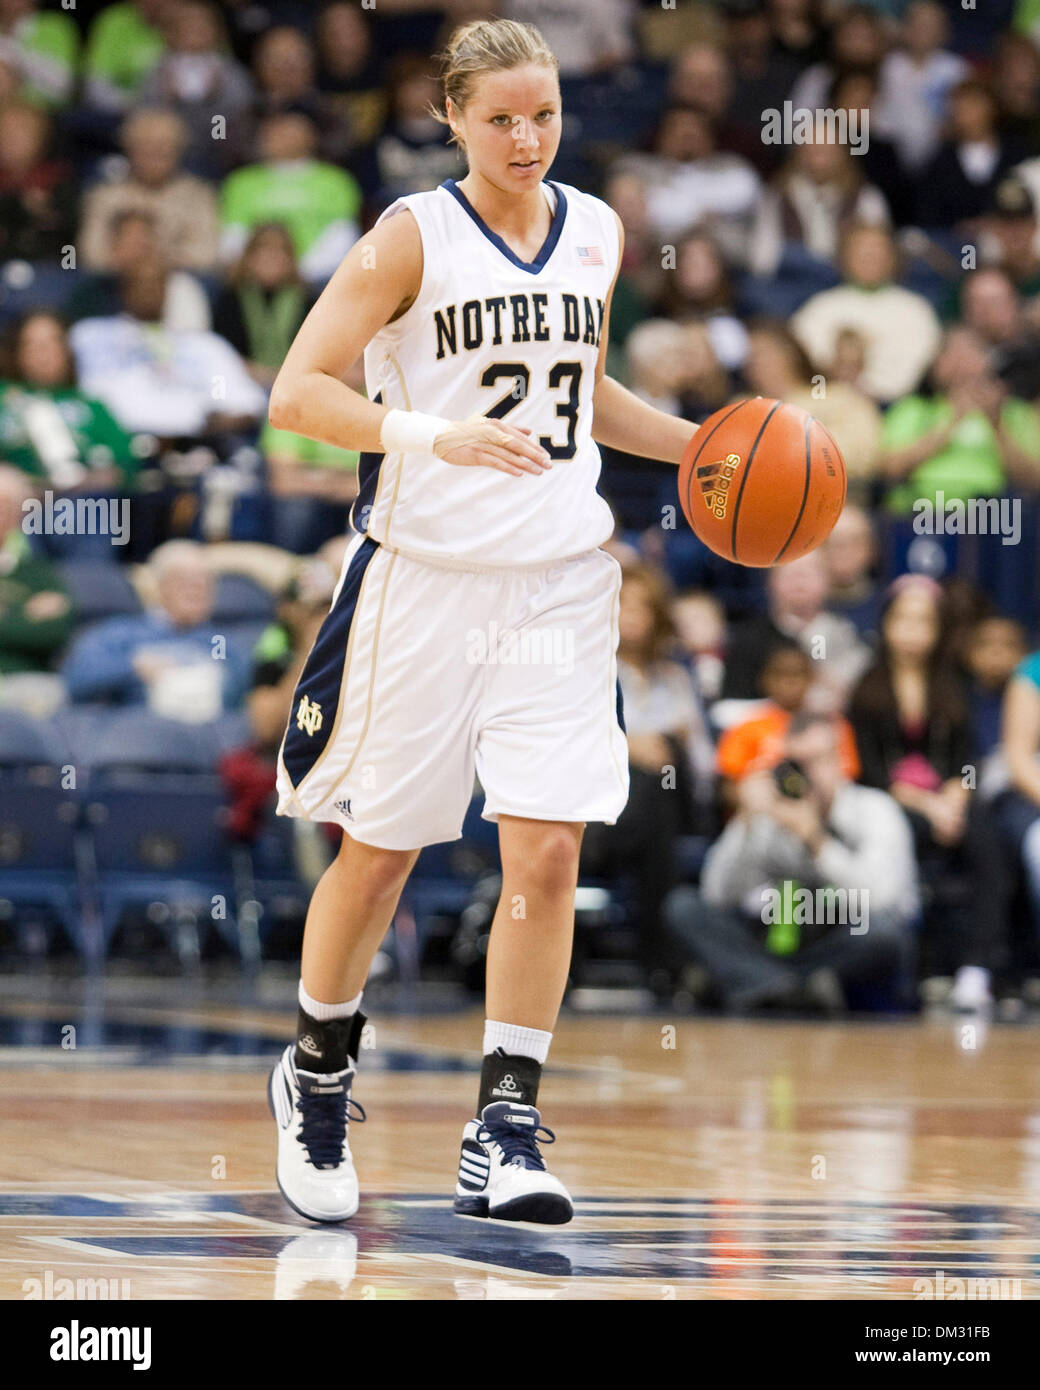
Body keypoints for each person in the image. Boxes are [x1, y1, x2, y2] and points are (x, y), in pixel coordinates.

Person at [264, 17, 701, 1227]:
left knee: (547, 850)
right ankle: (316, 1071)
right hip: (424, 580)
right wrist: (429, 433)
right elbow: (297, 392)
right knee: (383, 850)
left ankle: (503, 1124)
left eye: (544, 115)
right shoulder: (410, 237)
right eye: (500, 117)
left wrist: (706, 448)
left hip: (559, 580)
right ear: (450, 116)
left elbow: (584, 389)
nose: (525, 137)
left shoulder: (598, 230)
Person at [663, 713, 919, 1013]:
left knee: (883, 932)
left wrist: (816, 841)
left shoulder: (875, 810)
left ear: (840, 762)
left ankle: (758, 982)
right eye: (796, 764)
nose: (806, 775)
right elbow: (716, 895)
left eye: (817, 762)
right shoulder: (768, 811)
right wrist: (746, 822)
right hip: (774, 935)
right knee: (683, 905)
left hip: (839, 939)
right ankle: (791, 986)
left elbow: (882, 901)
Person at [848, 575, 1012, 1009]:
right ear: (886, 624)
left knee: (987, 839)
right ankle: (906, 970)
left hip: (949, 801)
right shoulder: (866, 687)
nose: (913, 630)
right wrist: (928, 805)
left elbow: (970, 761)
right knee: (893, 833)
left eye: (924, 621)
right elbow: (867, 772)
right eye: (904, 618)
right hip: (893, 803)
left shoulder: (955, 686)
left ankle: (977, 969)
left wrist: (957, 796)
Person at [580, 563, 714, 989]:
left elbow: (705, 764)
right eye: (623, 603)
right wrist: (628, 744)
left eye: (644, 606)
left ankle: (596, 848)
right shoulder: (588, 671)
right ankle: (663, 962)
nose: (632, 615)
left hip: (668, 799)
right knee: (647, 785)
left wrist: (670, 743)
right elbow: (573, 749)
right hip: (602, 795)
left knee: (661, 775)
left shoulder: (674, 679)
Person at [61, 538, 249, 714]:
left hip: (211, 737)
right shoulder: (122, 634)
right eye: (183, 579)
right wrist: (132, 667)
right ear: (157, 585)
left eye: (205, 581)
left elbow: (244, 694)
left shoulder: (220, 643)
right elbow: (75, 681)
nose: (196, 587)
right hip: (142, 736)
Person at [880, 325, 1040, 515]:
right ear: (935, 365)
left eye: (968, 354)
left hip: (993, 517)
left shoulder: (1012, 412)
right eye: (951, 354)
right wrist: (952, 422)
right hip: (921, 514)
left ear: (986, 362)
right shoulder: (913, 408)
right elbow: (889, 469)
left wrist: (997, 425)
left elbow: (1033, 479)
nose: (960, 364)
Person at [791, 223, 942, 403]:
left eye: (878, 251)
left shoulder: (916, 309)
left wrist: (871, 390)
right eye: (861, 251)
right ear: (843, 257)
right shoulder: (819, 308)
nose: (870, 258)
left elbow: (918, 366)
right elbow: (806, 364)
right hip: (829, 403)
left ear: (893, 258)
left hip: (894, 405)